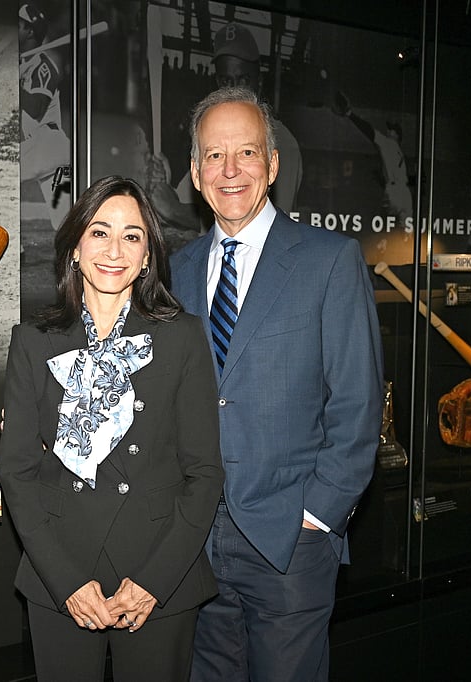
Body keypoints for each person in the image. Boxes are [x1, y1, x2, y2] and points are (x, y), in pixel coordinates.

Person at [168, 87, 383, 681]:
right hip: (196, 547)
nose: (230, 171)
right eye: (214, 156)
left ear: (274, 163)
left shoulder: (329, 260)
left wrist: (318, 515)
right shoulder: (176, 272)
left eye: (246, 153)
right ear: (194, 171)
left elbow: (358, 406)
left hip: (291, 545)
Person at [0, 175, 224, 681]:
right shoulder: (32, 341)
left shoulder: (182, 337)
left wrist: (153, 581)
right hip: (60, 569)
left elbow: (205, 472)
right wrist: (66, 582)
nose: (114, 250)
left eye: (132, 235)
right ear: (75, 246)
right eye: (100, 232)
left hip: (155, 569)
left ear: (148, 256)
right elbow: (16, 471)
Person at [151, 21, 303, 233]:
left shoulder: (281, 141)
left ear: (258, 81)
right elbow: (181, 204)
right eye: (225, 80)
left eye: (243, 79)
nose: (233, 89)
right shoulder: (213, 139)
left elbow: (261, 225)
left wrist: (173, 209)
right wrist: (162, 181)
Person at [18, 2, 72, 232]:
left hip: (45, 145)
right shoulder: (25, 62)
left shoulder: (45, 64)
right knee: (66, 225)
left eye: (18, 25)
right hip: (50, 152)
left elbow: (35, 109)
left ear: (30, 31)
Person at [332, 90, 413, 224]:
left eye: (391, 129)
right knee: (407, 233)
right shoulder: (399, 152)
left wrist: (350, 115)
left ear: (397, 136)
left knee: (381, 227)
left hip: (393, 192)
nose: (388, 131)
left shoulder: (389, 144)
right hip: (405, 195)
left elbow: (369, 131)